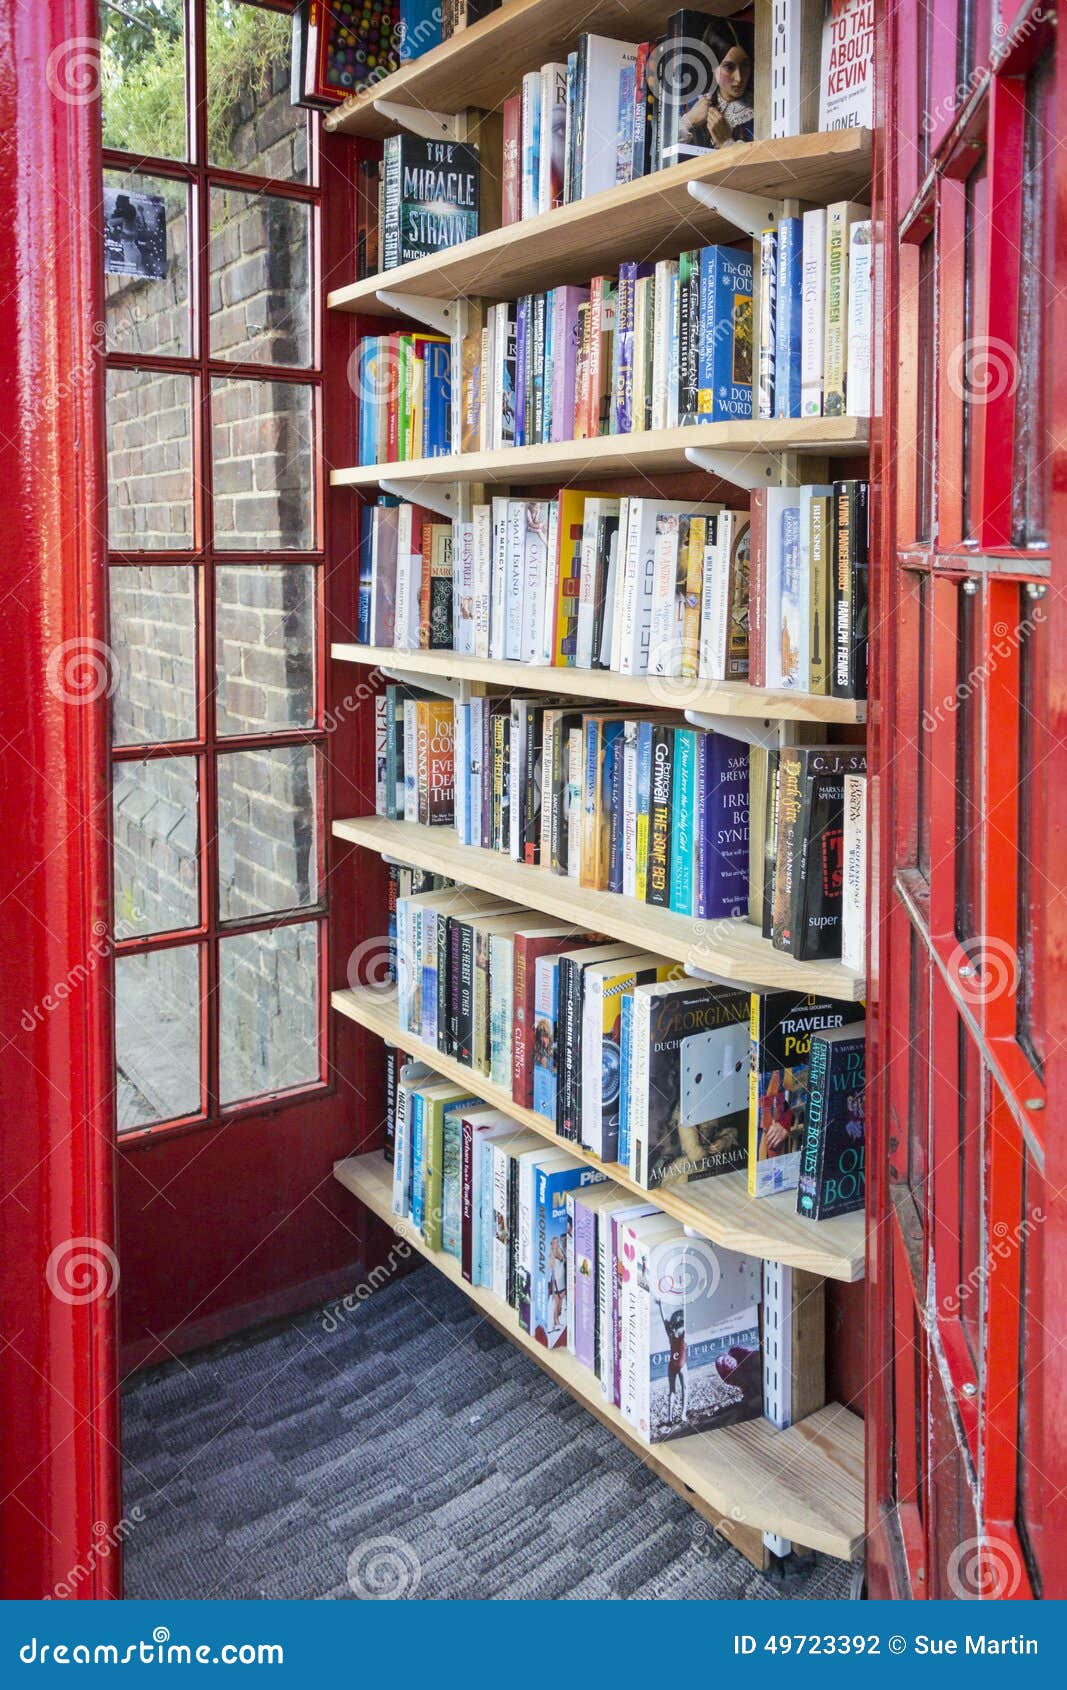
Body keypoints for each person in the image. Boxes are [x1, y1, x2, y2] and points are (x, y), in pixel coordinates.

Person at [675, 21, 755, 152]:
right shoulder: (690, 106)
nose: (739, 78)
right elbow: (663, 151)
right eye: (729, 67)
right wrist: (689, 121)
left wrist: (726, 142)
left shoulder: (760, 111)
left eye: (745, 65)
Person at [655, 1297, 688, 1426]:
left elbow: (664, 1320)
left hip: (671, 1365)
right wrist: (685, 1303)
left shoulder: (670, 1333)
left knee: (672, 1391)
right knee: (685, 1388)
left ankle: (670, 1418)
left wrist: (660, 1305)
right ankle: (683, 1415)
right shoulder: (682, 1333)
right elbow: (687, 1318)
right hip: (681, 1364)